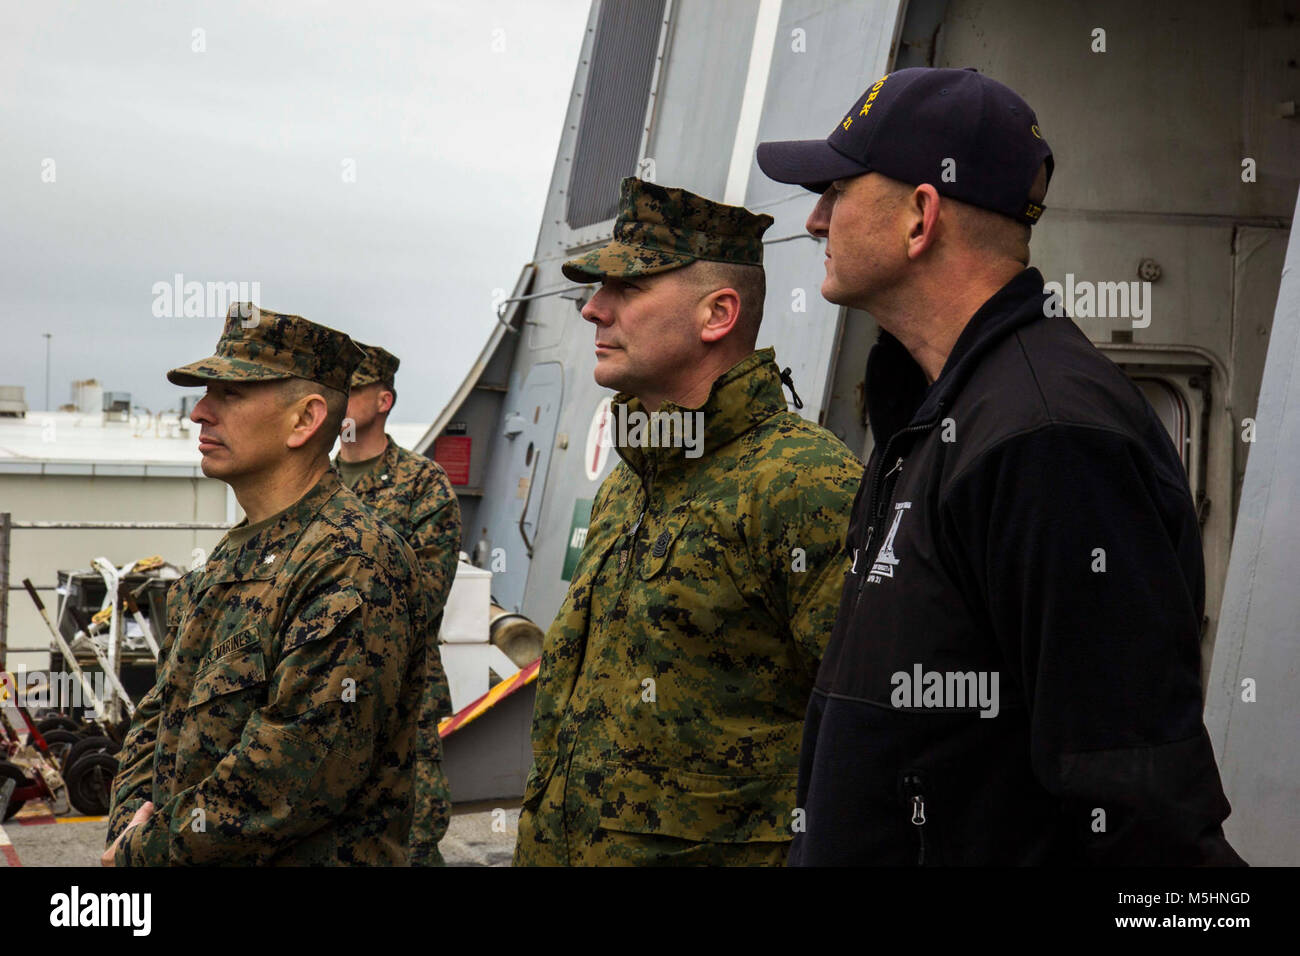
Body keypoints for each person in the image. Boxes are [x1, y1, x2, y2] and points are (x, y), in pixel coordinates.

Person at [756, 66, 1244, 865]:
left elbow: (1138, 810)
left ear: (921, 216)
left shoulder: (1048, 439)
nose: (814, 220)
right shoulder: (937, 415)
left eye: (837, 190)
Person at [512, 177, 862, 866]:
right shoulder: (632, 482)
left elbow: (867, 740)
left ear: (717, 314)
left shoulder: (803, 486)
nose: (592, 311)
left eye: (627, 289)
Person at [103, 303, 429, 866]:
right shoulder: (234, 555)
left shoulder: (354, 562)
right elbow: (158, 714)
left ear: (305, 420)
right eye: (206, 392)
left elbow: (293, 776)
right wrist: (127, 828)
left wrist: (148, 851)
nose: (199, 412)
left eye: (229, 395)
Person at [335, 342, 461, 866]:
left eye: (354, 389)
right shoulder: (308, 484)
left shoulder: (422, 486)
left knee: (411, 841)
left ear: (383, 400)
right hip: (314, 696)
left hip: (399, 698)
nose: (341, 399)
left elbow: (422, 597)